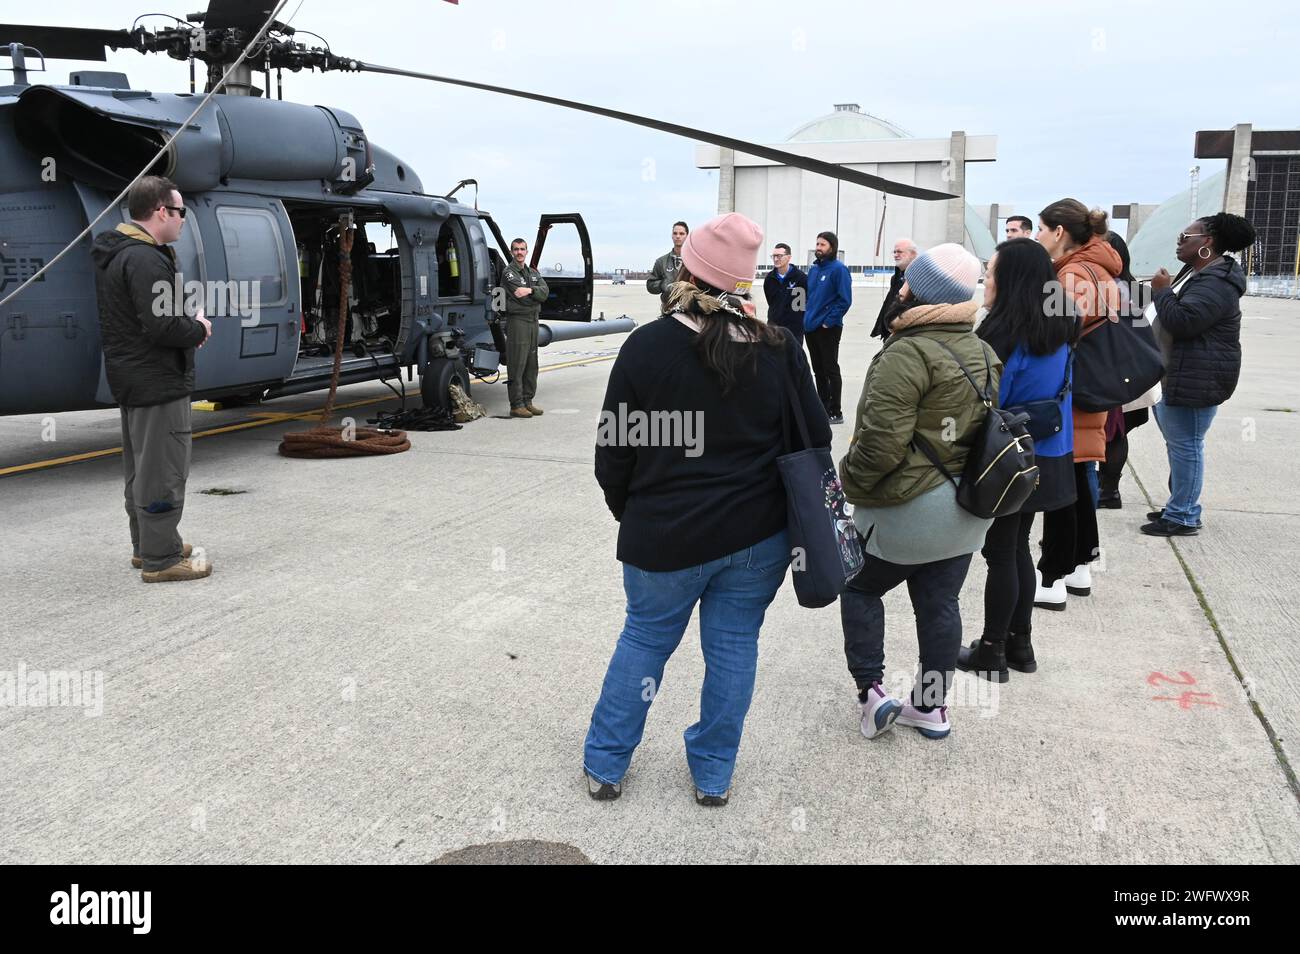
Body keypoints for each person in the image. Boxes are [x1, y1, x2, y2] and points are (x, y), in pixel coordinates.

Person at [586, 213, 830, 806]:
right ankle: (714, 771)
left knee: (643, 642)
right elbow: (815, 436)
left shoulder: (647, 346)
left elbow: (612, 454)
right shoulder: (779, 350)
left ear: (686, 268)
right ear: (744, 282)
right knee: (733, 648)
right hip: (757, 539)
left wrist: (634, 514)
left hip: (664, 537)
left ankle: (607, 763)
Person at [839, 243, 996, 740]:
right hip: (966, 511)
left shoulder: (905, 354)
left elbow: (880, 448)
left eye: (909, 278)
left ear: (921, 291)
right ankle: (930, 708)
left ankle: (872, 693)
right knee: (940, 602)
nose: (901, 284)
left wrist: (846, 487)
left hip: (911, 510)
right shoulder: (983, 350)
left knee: (860, 586)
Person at [958, 239, 1077, 681]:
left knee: (1001, 552)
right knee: (1017, 547)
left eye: (991, 271)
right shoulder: (1061, 322)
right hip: (1048, 451)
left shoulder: (1003, 332)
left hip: (1008, 455)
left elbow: (988, 399)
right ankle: (1019, 642)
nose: (986, 279)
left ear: (1011, 279)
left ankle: (992, 650)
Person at [91, 175, 213, 583]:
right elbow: (163, 326)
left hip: (134, 379)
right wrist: (198, 328)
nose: (182, 221)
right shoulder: (146, 258)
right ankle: (162, 559)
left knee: (142, 469)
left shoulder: (119, 253)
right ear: (161, 212)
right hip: (158, 380)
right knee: (163, 469)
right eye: (180, 212)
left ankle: (147, 545)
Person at [1141, 212, 1256, 536]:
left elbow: (1183, 321)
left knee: (1186, 445)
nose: (1179, 241)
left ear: (1206, 243)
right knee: (1179, 445)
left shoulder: (1216, 282)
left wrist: (1162, 291)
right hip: (1180, 373)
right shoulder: (1198, 274)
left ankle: (1184, 515)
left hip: (1196, 377)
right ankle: (1179, 504)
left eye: (1185, 236)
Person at [1033, 200, 1123, 609]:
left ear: (1058, 232)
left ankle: (1052, 577)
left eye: (1040, 228)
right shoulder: (1099, 267)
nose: (1037, 237)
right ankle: (1081, 566)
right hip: (1091, 387)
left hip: (1072, 391)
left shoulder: (1072, 274)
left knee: (1059, 483)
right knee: (1078, 477)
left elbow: (1054, 335)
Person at [1097, 230, 1155, 509]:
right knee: (1118, 434)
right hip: (1135, 374)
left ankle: (1106, 491)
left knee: (1110, 434)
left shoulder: (1105, 288)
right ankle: (1109, 489)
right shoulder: (1137, 289)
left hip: (1113, 373)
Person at [498, 237, 550, 418]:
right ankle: (516, 404)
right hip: (518, 321)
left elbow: (544, 293)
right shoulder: (509, 273)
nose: (519, 252)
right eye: (516, 249)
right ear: (512, 252)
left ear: (526, 252)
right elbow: (521, 297)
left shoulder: (533, 273)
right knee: (517, 364)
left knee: (531, 363)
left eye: (522, 249)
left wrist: (529, 290)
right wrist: (533, 294)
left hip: (533, 321)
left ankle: (528, 401)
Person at [804, 230, 852, 424]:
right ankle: (823, 409)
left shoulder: (839, 270)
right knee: (818, 371)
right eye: (817, 244)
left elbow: (845, 300)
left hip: (828, 328)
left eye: (822, 245)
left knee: (830, 369)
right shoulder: (814, 270)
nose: (818, 248)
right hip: (811, 327)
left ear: (832, 247)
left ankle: (835, 411)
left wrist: (828, 321)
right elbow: (810, 298)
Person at [870, 238, 919, 338]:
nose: (896, 255)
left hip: (906, 332)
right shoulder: (896, 277)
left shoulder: (919, 277)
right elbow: (889, 302)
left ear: (913, 254)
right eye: (895, 252)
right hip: (891, 331)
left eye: (900, 252)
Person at [762, 242, 808, 346]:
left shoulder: (801, 278)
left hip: (795, 329)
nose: (776, 259)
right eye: (774, 256)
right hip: (774, 327)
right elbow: (771, 302)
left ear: (788, 257)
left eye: (779, 256)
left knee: (793, 359)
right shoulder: (769, 279)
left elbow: (805, 302)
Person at [645, 221, 689, 310]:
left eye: (681, 234)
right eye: (675, 233)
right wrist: (662, 284)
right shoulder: (661, 261)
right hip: (668, 310)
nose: (678, 236)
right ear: (671, 236)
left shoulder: (694, 261)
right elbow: (650, 285)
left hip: (690, 312)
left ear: (687, 236)